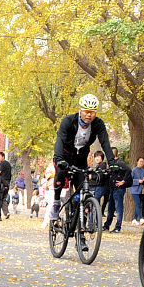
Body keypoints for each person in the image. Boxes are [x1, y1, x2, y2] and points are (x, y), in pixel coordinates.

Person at [50, 94, 117, 225]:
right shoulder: (68, 121)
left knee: (81, 188)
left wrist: (112, 162)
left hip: (80, 158)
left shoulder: (98, 124)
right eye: (86, 111)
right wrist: (59, 159)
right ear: (80, 110)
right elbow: (60, 141)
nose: (89, 115)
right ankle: (56, 202)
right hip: (64, 155)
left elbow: (105, 143)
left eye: (92, 112)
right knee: (60, 173)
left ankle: (79, 224)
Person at [106, 155, 130, 231]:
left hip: (119, 189)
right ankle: (107, 225)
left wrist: (123, 181)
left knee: (118, 208)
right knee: (110, 209)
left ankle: (117, 227)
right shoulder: (112, 164)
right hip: (113, 189)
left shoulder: (120, 163)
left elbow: (129, 170)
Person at [128, 157, 144, 226]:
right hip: (134, 190)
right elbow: (130, 180)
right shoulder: (133, 170)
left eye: (142, 162)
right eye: (140, 161)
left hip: (141, 190)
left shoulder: (143, 170)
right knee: (138, 204)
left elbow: (143, 179)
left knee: (139, 204)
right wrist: (137, 181)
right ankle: (141, 218)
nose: (141, 163)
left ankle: (134, 219)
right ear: (137, 162)